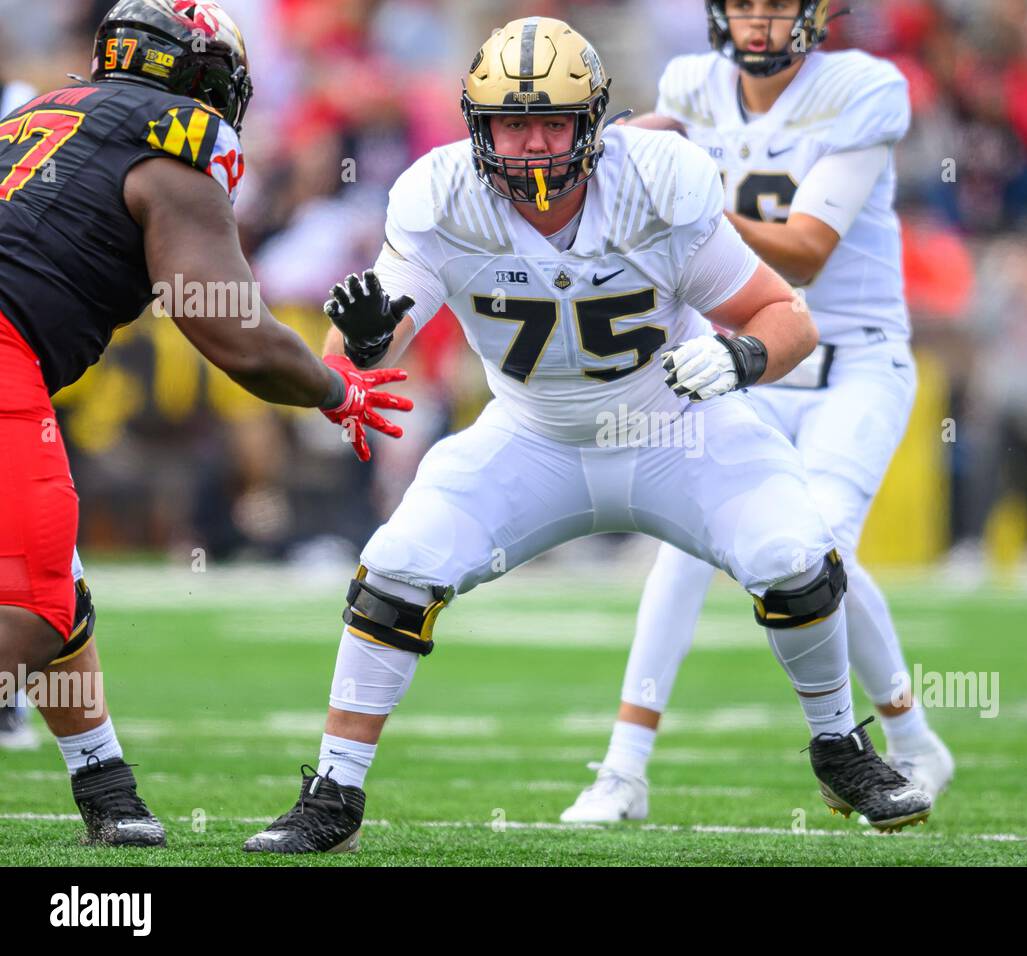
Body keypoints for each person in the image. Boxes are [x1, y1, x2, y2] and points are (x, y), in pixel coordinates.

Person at [243, 15, 930, 854]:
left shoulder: (658, 181)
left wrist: (741, 358)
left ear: (594, 124)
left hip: (676, 423)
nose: (532, 146)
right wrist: (353, 344)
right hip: (536, 435)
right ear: (477, 126)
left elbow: (785, 316)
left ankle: (838, 745)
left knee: (796, 554)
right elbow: (363, 351)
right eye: (511, 123)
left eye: (552, 122)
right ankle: (334, 794)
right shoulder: (440, 195)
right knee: (396, 568)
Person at [0, 0, 410, 847]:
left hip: (18, 357)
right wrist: (335, 389)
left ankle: (106, 788)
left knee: (54, 582)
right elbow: (228, 327)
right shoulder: (177, 138)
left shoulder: (45, 108)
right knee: (34, 608)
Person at [561, 0, 953, 825]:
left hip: (854, 362)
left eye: (778, 6)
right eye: (744, 5)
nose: (760, 22)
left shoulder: (863, 86)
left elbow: (808, 247)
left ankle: (911, 740)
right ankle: (623, 770)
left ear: (816, 14)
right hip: (751, 364)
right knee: (682, 545)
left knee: (818, 550)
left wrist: (690, 208)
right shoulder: (691, 85)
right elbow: (631, 164)